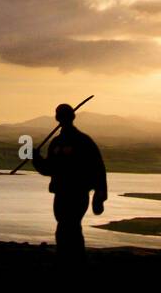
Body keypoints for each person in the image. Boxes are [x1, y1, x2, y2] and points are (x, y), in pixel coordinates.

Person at [32, 103, 107, 261]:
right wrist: (37, 159)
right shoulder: (56, 143)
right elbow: (49, 168)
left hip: (77, 194)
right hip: (61, 194)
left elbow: (98, 168)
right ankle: (68, 261)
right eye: (60, 115)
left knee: (69, 227)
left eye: (63, 115)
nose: (61, 118)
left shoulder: (82, 141)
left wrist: (99, 196)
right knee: (64, 228)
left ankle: (73, 262)